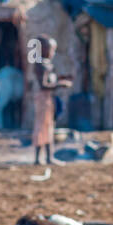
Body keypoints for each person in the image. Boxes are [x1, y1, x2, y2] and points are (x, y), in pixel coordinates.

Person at [31, 35, 72, 166]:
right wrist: (60, 85)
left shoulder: (47, 64)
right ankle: (38, 158)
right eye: (50, 49)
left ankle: (49, 157)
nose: (52, 52)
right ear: (42, 49)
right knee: (41, 125)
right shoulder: (39, 65)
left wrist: (61, 80)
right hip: (43, 98)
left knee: (49, 126)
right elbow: (43, 85)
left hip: (49, 98)